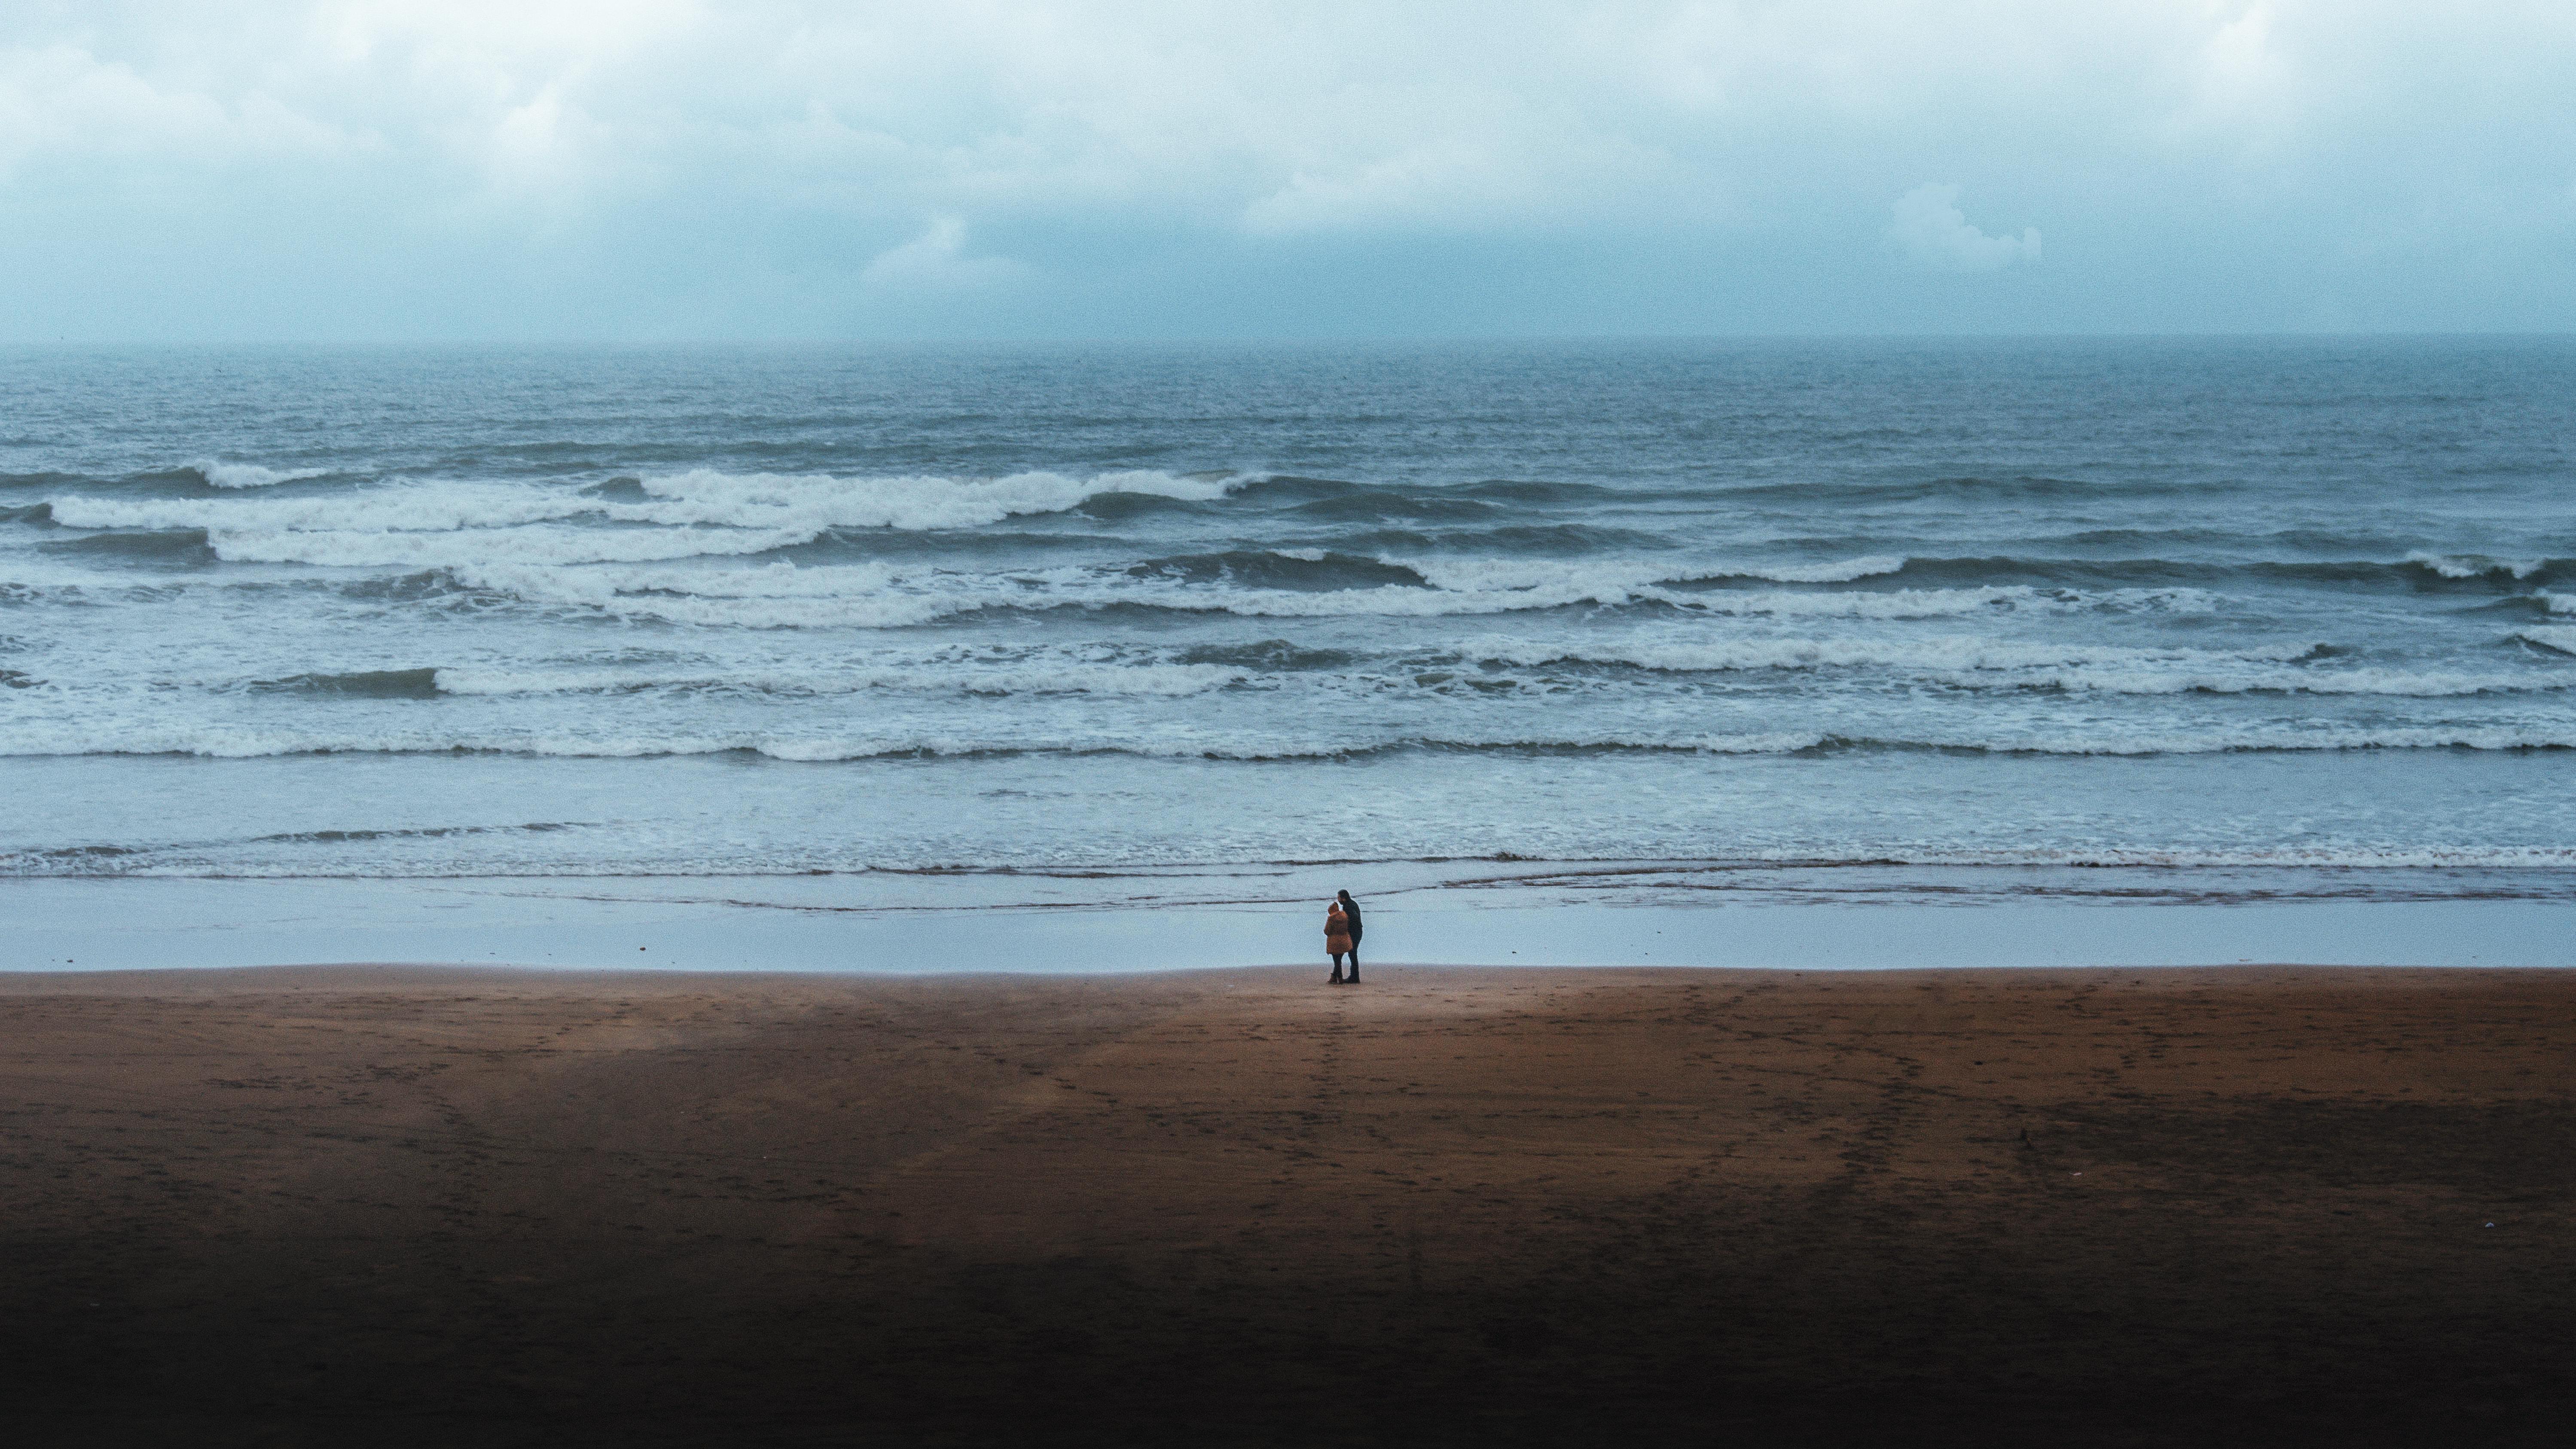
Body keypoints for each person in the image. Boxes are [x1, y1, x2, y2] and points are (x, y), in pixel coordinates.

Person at [1335, 889, 1363, 982]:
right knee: (1352, 953)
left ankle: (1355, 977)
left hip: (1355, 933)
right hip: (1358, 931)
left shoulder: (1348, 907)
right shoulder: (1352, 904)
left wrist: (1347, 926)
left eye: (1339, 898)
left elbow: (1354, 917)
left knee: (1352, 953)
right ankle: (1354, 976)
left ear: (1344, 898)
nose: (1338, 900)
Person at [1325, 898, 1355, 984]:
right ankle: (1334, 977)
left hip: (1335, 942)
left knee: (1337, 961)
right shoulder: (1345, 916)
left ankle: (1340, 978)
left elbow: (1327, 931)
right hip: (1344, 940)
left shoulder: (1331, 919)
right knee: (1339, 960)